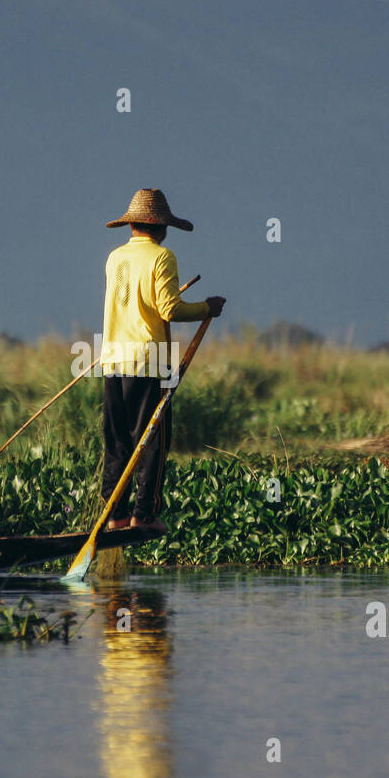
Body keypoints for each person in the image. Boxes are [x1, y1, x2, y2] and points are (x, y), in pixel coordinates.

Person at [99, 188, 225, 532]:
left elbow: (134, 304)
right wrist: (206, 309)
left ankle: (115, 514)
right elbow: (169, 309)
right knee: (152, 439)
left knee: (119, 442)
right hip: (148, 360)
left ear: (133, 225)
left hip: (111, 360)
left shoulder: (114, 258)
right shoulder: (161, 257)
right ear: (162, 227)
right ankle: (144, 513)